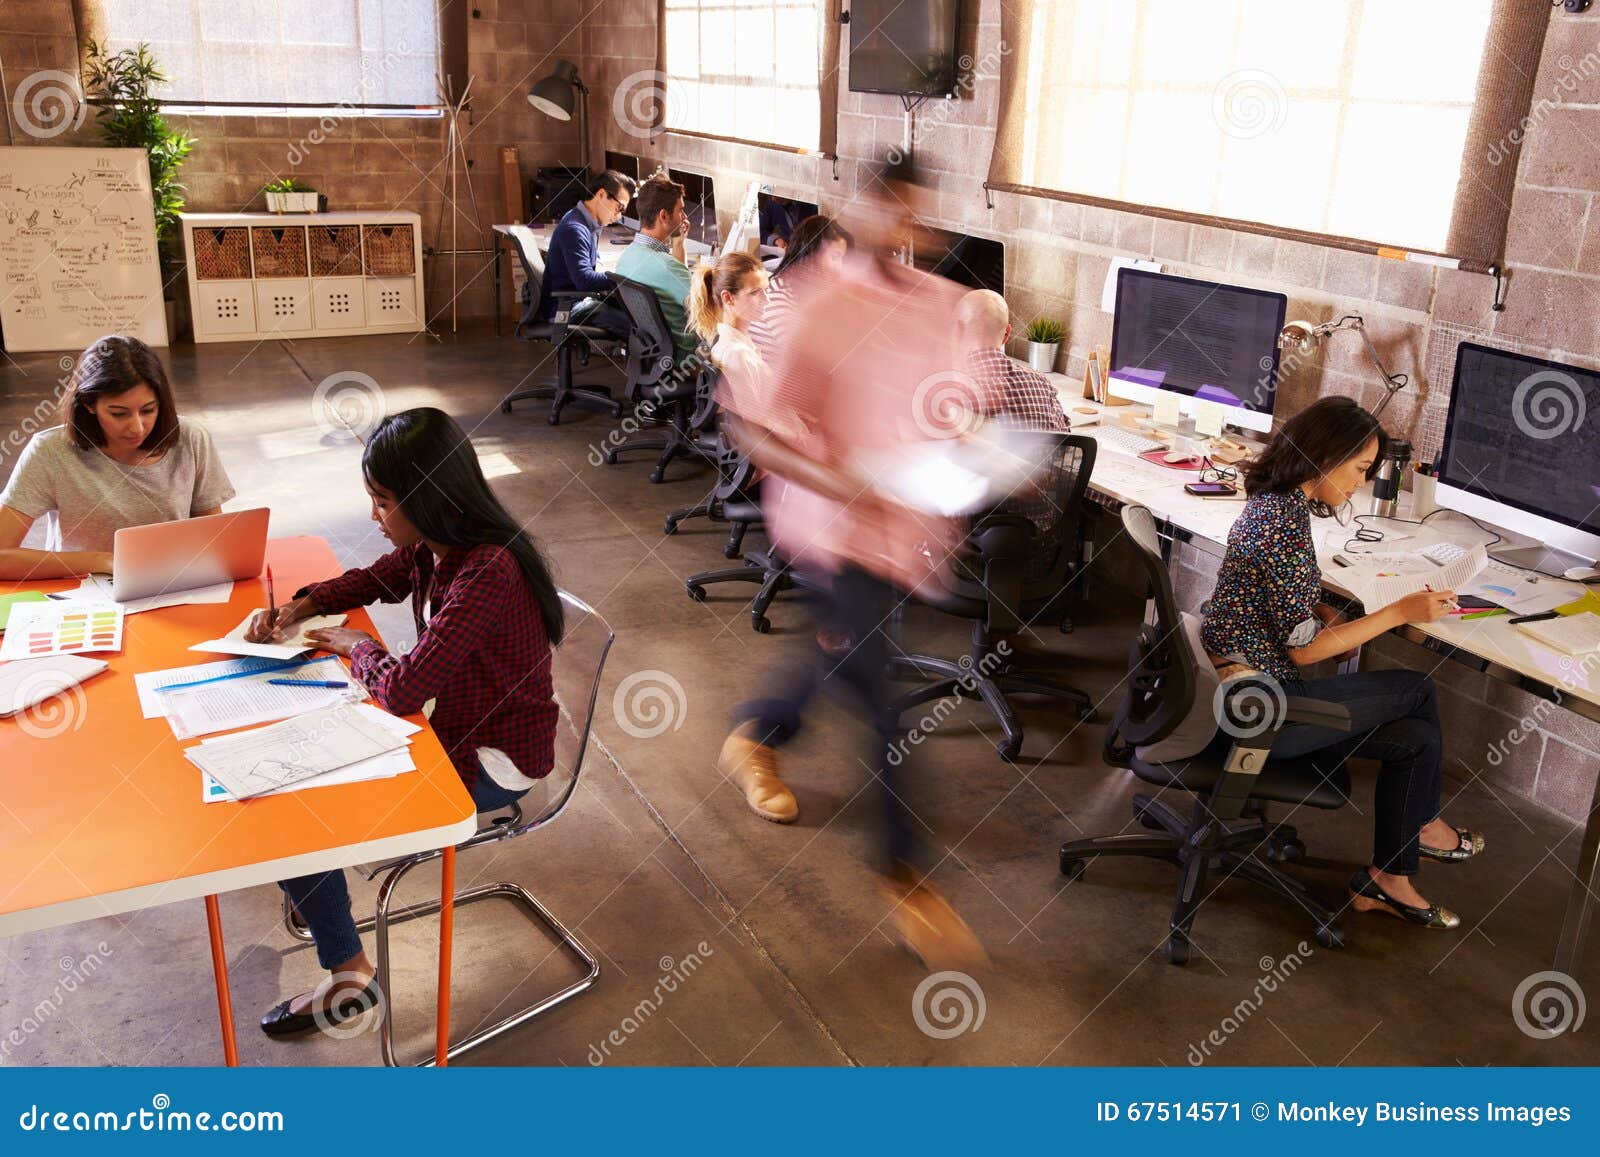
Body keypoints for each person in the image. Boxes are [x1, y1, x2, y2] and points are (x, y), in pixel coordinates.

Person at [714, 156, 986, 971]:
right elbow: (752, 427)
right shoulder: (818, 306)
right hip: (833, 526)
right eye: (885, 206)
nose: (900, 226)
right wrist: (838, 478)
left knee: (842, 651)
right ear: (859, 210)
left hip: (903, 529)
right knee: (886, 703)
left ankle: (758, 730)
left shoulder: (942, 307)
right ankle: (904, 876)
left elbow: (953, 408)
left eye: (914, 212)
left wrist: (977, 453)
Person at [246, 407, 565, 1037]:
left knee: (292, 816)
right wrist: (298, 607)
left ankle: (348, 977)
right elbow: (373, 578)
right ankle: (321, 904)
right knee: (284, 789)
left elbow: (401, 688)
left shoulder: (487, 571)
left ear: (428, 497)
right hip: (448, 735)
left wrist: (351, 646)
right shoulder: (434, 546)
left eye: (383, 501)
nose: (375, 516)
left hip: (492, 766)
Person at [1199, 395, 1484, 930]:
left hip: (1243, 692)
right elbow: (1304, 650)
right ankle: (1424, 826)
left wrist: (1319, 609)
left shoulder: (1272, 506)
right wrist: (1397, 611)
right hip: (1262, 715)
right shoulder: (1282, 525)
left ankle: (1388, 879)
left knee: (1416, 741)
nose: (1361, 482)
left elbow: (1275, 608)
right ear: (1323, 458)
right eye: (1358, 469)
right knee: (1418, 691)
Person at [0, 335, 235, 580]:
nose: (137, 427)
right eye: (119, 413)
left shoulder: (190, 439)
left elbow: (212, 539)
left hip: (169, 585)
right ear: (90, 404)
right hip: (82, 593)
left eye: (148, 410)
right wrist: (100, 560)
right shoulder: (50, 451)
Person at [535, 169, 636, 337]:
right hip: (566, 308)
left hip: (576, 300)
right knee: (638, 330)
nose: (618, 217)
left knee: (636, 315)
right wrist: (624, 277)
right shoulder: (575, 228)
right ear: (602, 194)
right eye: (619, 208)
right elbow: (585, 281)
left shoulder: (585, 222)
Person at [954, 289, 1069, 431]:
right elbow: (1065, 439)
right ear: (1006, 334)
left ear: (957, 331)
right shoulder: (1041, 382)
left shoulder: (950, 388)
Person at [615, 176, 697, 366]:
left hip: (653, 356)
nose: (684, 217)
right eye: (681, 210)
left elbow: (675, 282)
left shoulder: (627, 257)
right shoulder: (667, 266)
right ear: (663, 216)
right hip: (685, 359)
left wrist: (679, 243)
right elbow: (704, 310)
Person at [750, 215, 850, 361]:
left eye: (843, 258)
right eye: (835, 256)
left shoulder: (798, 287)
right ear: (812, 255)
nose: (840, 266)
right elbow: (804, 358)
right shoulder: (778, 295)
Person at [687, 250, 770, 420]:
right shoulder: (736, 353)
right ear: (728, 298)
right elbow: (757, 422)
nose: (767, 299)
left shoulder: (736, 340)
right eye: (755, 292)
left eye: (765, 290)